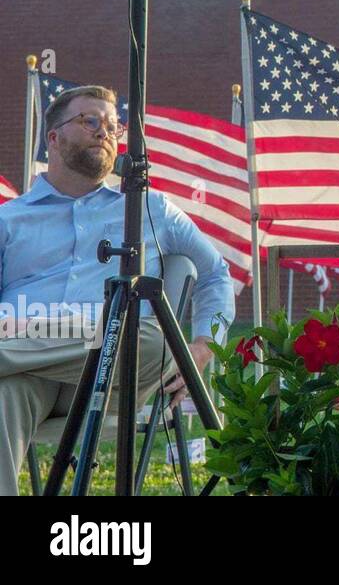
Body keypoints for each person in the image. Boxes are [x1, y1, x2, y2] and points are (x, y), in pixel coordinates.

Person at [0, 85, 235, 495]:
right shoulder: (9, 220)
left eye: (112, 125)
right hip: (26, 375)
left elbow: (216, 273)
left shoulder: (148, 208)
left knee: (151, 339)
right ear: (53, 138)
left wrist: (203, 346)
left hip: (113, 373)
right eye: (89, 121)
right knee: (3, 394)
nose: (104, 132)